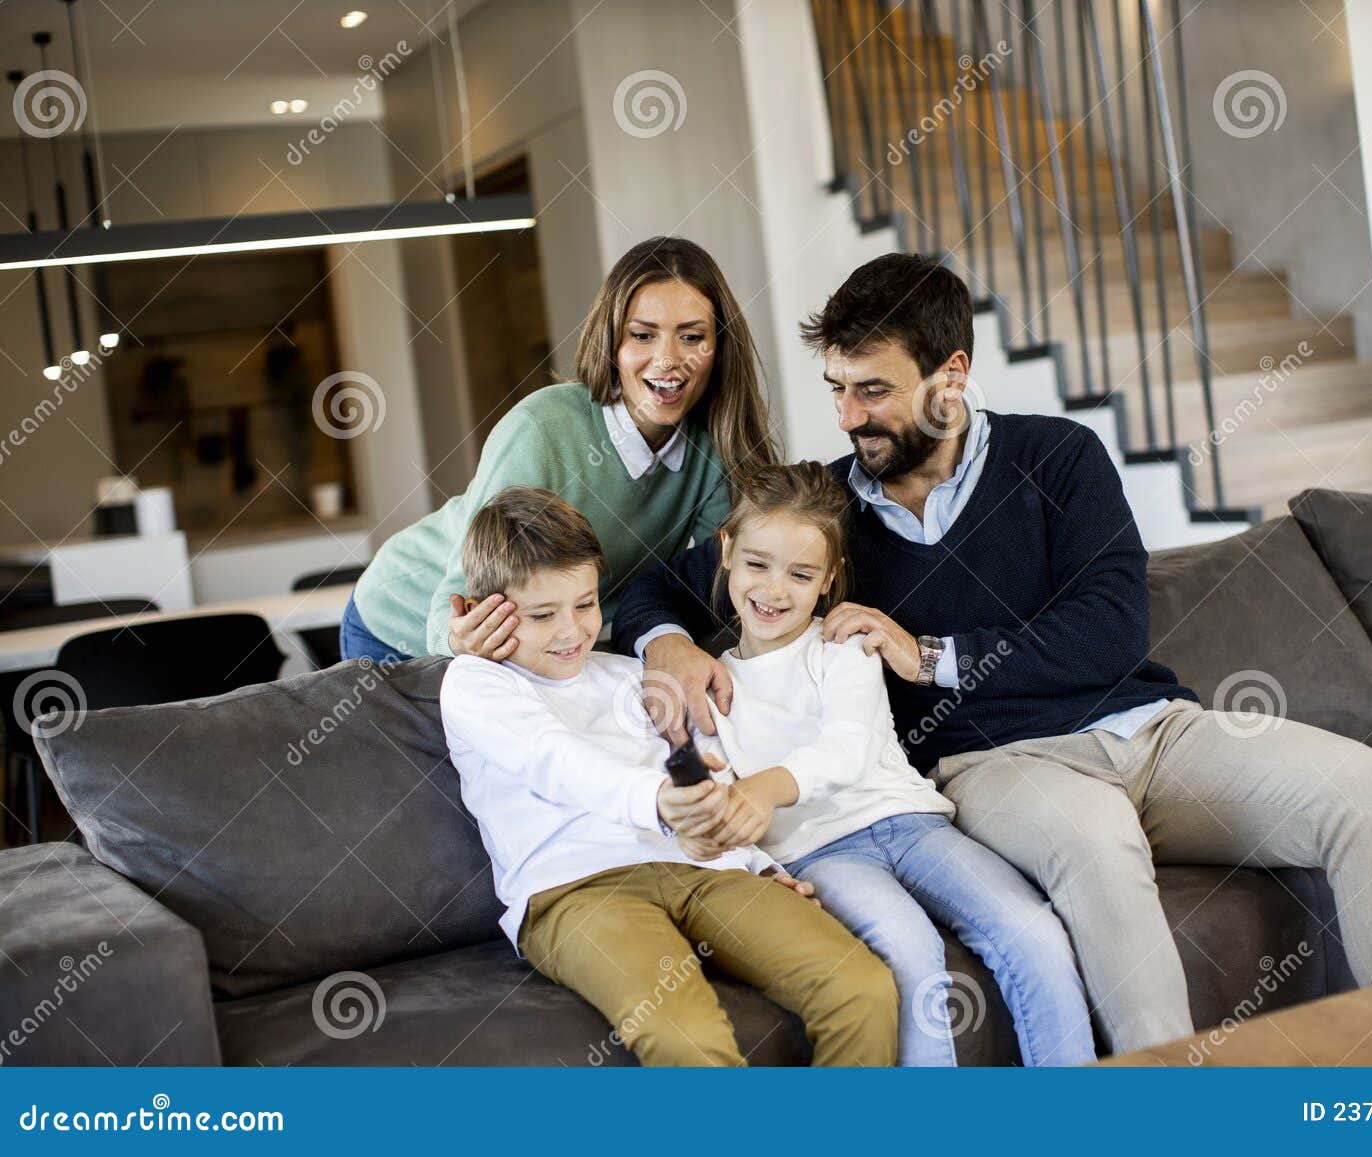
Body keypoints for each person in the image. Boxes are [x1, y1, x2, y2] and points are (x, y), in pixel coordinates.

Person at [612, 252, 1372, 1056]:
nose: (848, 415)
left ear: (951, 376)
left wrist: (928, 655)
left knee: (1368, 788)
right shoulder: (825, 511)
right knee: (1097, 842)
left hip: (1152, 731)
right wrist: (671, 644)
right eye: (837, 388)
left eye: (874, 390)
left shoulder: (1058, 457)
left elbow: (1111, 630)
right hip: (996, 763)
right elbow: (652, 590)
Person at [439, 486, 898, 1067]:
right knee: (688, 1034)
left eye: (585, 604)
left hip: (705, 870)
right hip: (577, 891)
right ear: (487, 609)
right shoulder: (476, 682)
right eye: (542, 615)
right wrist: (658, 801)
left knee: (861, 988)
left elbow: (706, 768)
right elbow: (555, 760)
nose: (571, 632)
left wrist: (754, 860)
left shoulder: (630, 673)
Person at [673, 461, 1093, 1066]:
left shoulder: (843, 646)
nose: (774, 590)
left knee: (1034, 931)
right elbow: (720, 799)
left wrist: (765, 788)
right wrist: (752, 859)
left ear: (829, 579)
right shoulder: (711, 686)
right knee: (909, 950)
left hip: (912, 825)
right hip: (821, 853)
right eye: (757, 565)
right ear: (726, 552)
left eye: (800, 574)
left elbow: (848, 748)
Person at [341, 235, 780, 664]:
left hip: (540, 645)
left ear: (720, 348)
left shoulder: (715, 446)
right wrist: (455, 639)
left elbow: (714, 580)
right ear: (612, 344)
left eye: (691, 337)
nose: (667, 358)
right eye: (643, 336)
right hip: (402, 621)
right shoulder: (541, 430)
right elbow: (460, 590)